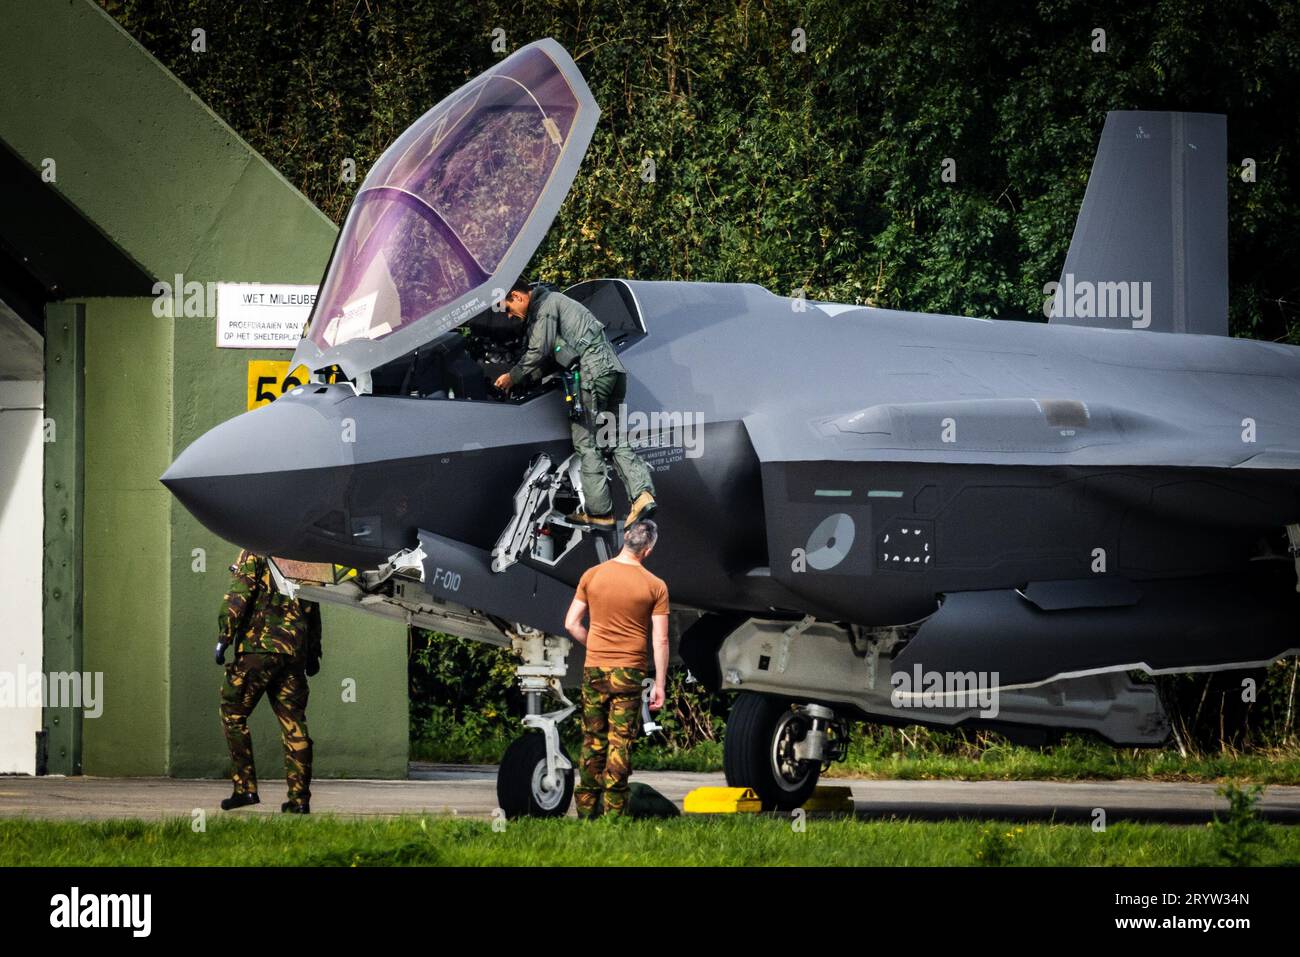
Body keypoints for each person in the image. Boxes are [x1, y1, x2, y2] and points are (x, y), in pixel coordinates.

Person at [493, 277, 657, 527]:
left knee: (587, 442)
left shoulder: (546, 306)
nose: (508, 316)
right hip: (613, 371)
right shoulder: (559, 302)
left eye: (507, 308)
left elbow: (538, 350)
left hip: (592, 374)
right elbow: (553, 353)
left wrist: (511, 378)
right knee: (612, 438)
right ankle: (642, 495)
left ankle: (600, 512)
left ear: (517, 296)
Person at [563, 520, 669, 819]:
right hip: (630, 672)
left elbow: (571, 623)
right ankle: (614, 815)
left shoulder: (592, 575)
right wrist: (659, 683)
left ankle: (586, 813)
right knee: (619, 742)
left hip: (594, 669)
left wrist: (594, 646)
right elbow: (659, 638)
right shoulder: (655, 585)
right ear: (648, 550)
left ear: (625, 538)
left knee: (592, 740)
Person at [215, 550, 322, 814]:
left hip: (258, 648)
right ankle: (299, 800)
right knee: (294, 723)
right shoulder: (307, 555)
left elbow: (239, 594)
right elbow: (315, 604)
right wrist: (313, 651)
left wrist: (224, 636)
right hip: (293, 652)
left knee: (233, 713)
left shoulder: (256, 547)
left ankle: (245, 789)